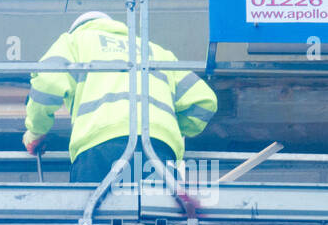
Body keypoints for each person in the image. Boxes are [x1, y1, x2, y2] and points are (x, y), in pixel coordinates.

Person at [22, 11, 218, 183]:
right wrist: (169, 129)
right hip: (158, 149)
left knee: (95, 222)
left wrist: (36, 132)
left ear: (78, 29)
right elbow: (204, 102)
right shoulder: (156, 51)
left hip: (99, 147)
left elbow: (47, 84)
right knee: (160, 222)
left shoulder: (74, 41)